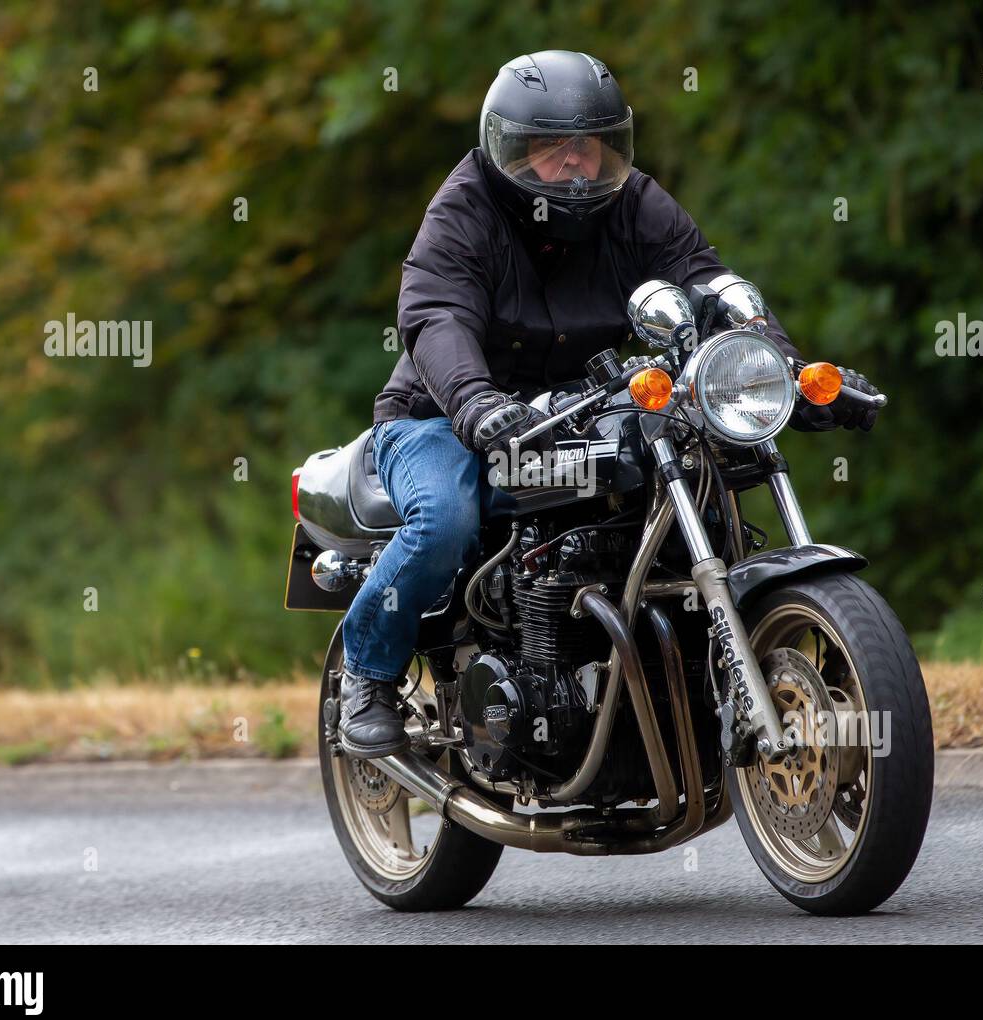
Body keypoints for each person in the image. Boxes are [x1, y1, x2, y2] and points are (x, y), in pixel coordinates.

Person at [336, 50, 877, 758]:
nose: (576, 168)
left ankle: (675, 680)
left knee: (695, 472)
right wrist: (476, 403)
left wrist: (787, 375)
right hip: (442, 413)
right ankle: (369, 673)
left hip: (582, 400)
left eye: (589, 148)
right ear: (508, 150)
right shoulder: (466, 207)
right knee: (444, 519)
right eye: (552, 152)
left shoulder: (633, 203)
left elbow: (710, 284)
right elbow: (435, 313)